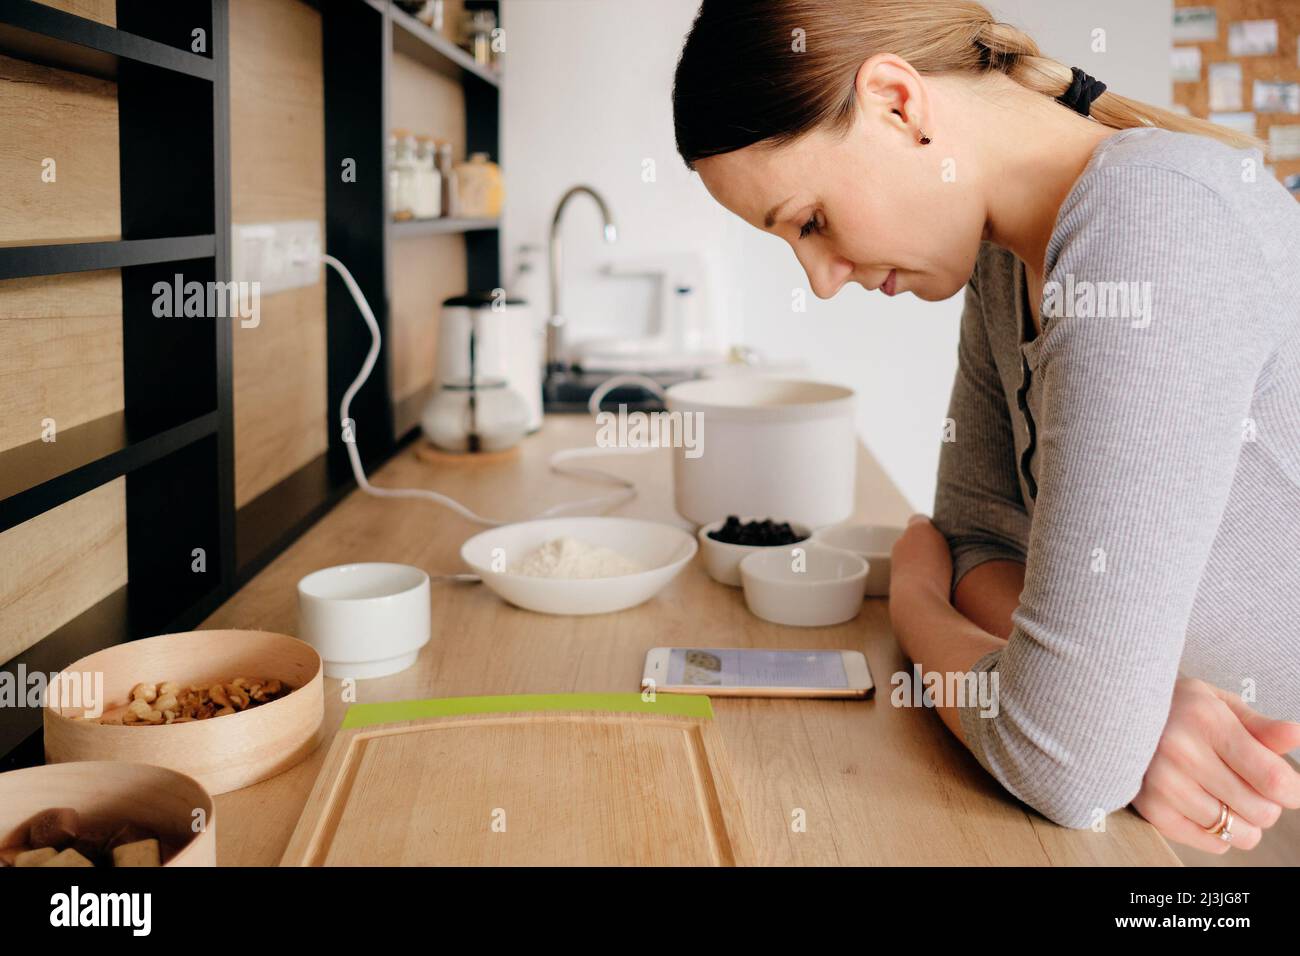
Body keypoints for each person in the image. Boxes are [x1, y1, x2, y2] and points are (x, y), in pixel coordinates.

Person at [672, 0, 1300, 854]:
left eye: (809, 221)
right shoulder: (1006, 262)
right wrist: (1117, 697)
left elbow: (1067, 759)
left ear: (898, 104)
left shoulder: (1150, 221)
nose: (820, 281)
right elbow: (976, 539)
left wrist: (921, 608)